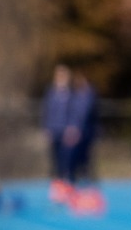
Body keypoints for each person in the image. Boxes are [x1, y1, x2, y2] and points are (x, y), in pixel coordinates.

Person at [41, 63, 96, 199]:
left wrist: (73, 128)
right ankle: (58, 190)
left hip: (67, 133)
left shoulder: (72, 93)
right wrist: (46, 128)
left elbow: (75, 113)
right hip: (55, 131)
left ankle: (71, 188)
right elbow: (47, 112)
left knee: (68, 161)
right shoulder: (51, 93)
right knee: (55, 162)